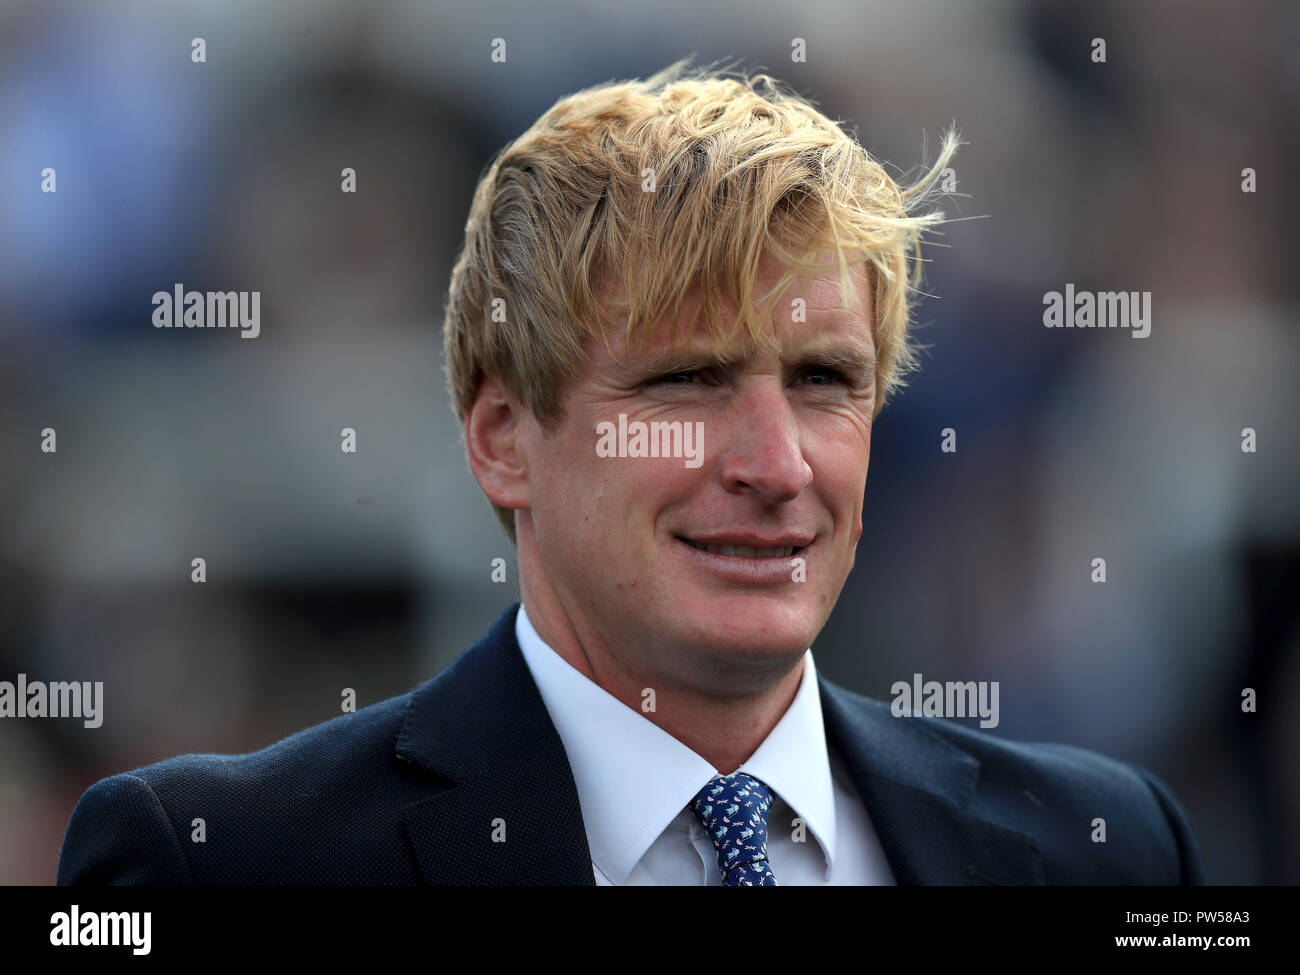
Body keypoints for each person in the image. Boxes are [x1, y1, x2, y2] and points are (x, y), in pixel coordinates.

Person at [57, 60, 1208, 885]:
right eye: (686, 384)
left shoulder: (1105, 845)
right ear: (504, 437)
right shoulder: (216, 859)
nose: (774, 464)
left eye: (821, 382)